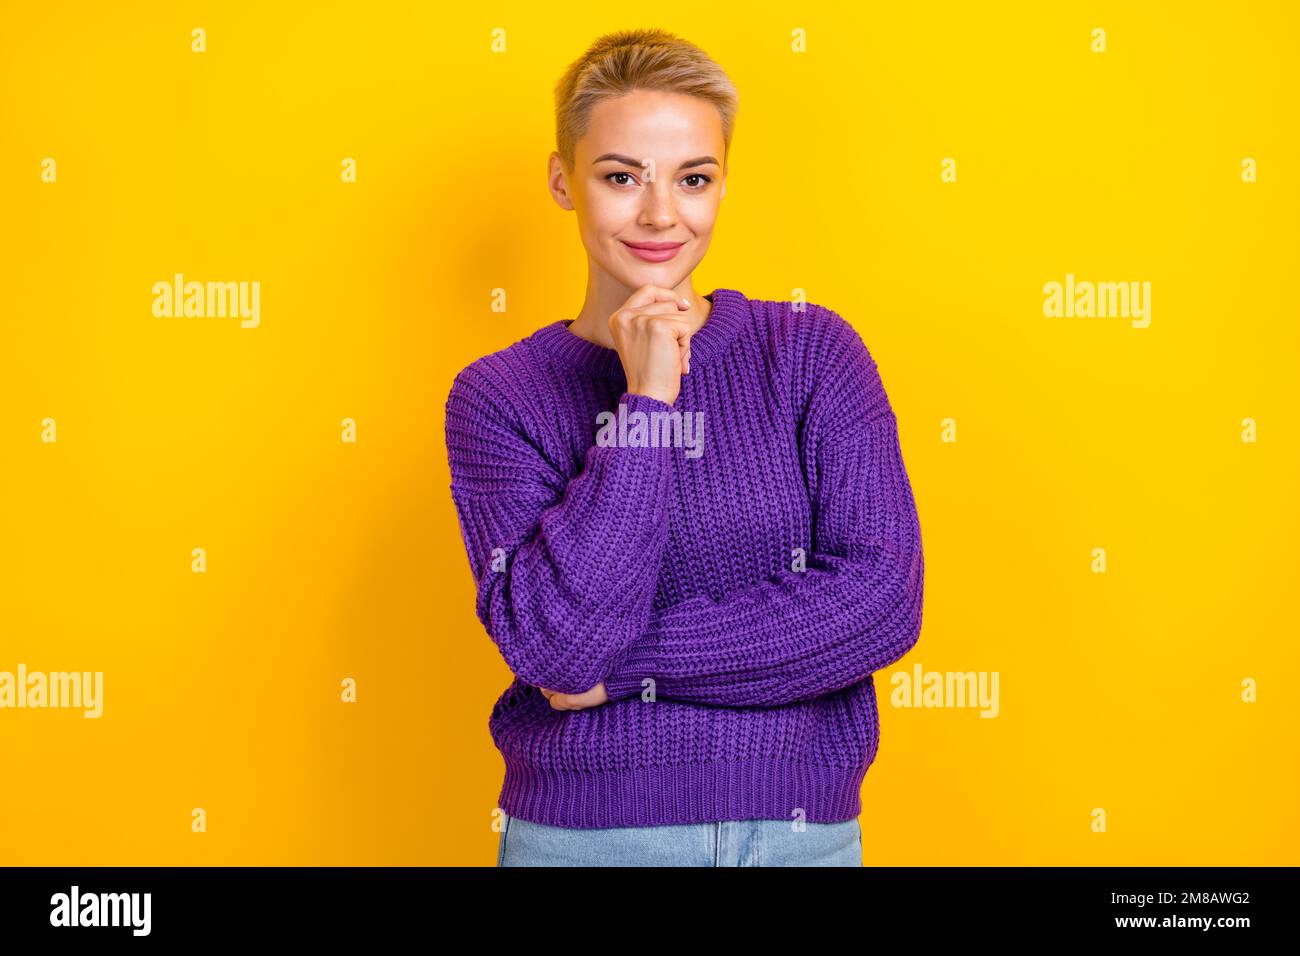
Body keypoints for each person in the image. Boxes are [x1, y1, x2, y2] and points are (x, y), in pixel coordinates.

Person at [444, 28, 925, 866]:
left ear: (722, 186)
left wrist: (628, 669)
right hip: (586, 839)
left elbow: (882, 602)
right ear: (564, 181)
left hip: (800, 837)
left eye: (692, 179)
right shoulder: (498, 397)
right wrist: (650, 399)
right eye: (622, 177)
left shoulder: (810, 352)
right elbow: (558, 650)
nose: (661, 213)